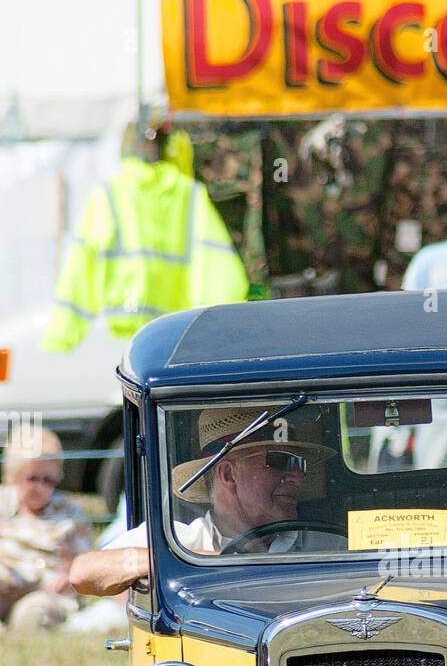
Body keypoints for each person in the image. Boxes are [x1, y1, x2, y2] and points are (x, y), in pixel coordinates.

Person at [69, 407, 342, 597]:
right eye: (282, 461)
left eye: (300, 465)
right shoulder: (185, 542)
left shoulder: (326, 544)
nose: (296, 475)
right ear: (228, 474)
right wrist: (189, 562)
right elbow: (84, 573)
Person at [42, 120, 249, 353]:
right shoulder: (189, 195)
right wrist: (223, 335)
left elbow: (80, 267)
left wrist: (60, 337)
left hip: (126, 334)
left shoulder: (110, 194)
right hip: (177, 333)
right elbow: (220, 270)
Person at [0, 425, 93, 631]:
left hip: (46, 594)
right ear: (14, 475)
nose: (41, 487)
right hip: (5, 587)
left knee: (33, 614)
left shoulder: (71, 515)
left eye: (49, 480)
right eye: (33, 479)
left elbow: (88, 567)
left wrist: (70, 574)